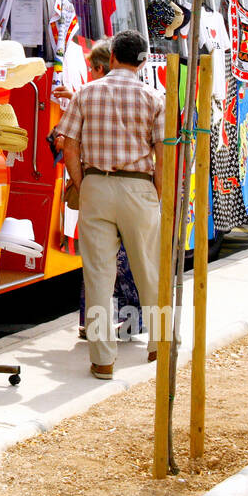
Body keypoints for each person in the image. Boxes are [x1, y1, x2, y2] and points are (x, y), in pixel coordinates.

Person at [55, 29, 164, 380]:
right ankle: (161, 344)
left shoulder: (87, 93)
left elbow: (67, 144)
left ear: (112, 56)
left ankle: (103, 359)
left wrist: (80, 181)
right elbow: (163, 155)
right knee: (149, 269)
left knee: (99, 276)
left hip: (96, 185)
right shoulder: (154, 98)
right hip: (139, 188)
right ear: (143, 62)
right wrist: (157, 194)